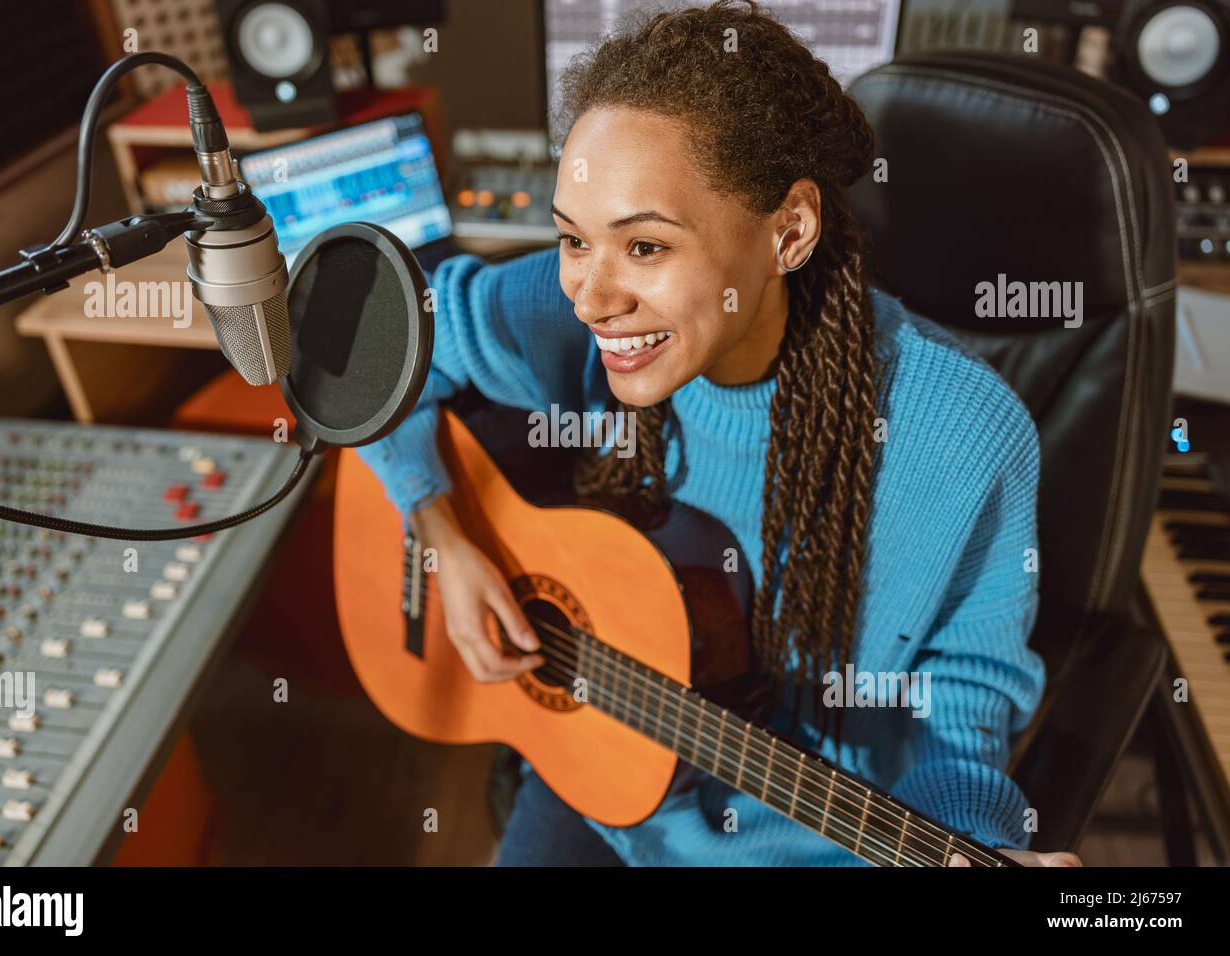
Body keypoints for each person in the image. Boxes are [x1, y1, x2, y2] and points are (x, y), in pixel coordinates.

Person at [360, 0, 1081, 867]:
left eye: (647, 249)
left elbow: (961, 708)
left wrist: (971, 844)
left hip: (820, 840)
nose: (591, 296)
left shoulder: (962, 432)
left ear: (790, 230)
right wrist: (438, 526)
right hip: (602, 781)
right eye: (572, 240)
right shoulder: (572, 313)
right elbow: (370, 356)